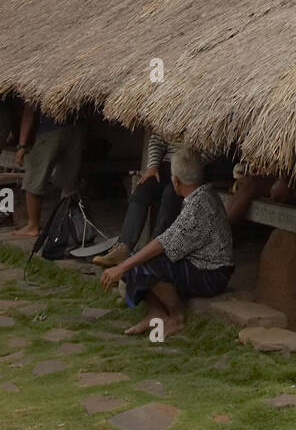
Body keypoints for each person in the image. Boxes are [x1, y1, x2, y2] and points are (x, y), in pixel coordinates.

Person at [100, 148, 233, 336]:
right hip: (199, 265)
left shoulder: (199, 206)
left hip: (212, 274)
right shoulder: (200, 195)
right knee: (136, 261)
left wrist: (121, 267)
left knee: (146, 263)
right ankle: (156, 313)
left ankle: (176, 317)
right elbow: (167, 240)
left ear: (175, 181)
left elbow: (164, 244)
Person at [92, 134, 181, 267]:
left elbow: (212, 148)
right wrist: (153, 166)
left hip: (190, 167)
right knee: (143, 189)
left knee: (170, 193)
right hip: (167, 166)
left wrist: (189, 168)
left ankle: (154, 251)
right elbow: (157, 139)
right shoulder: (172, 116)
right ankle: (123, 248)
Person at [11, 104, 86, 238]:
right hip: (75, 131)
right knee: (69, 183)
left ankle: (32, 225)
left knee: (34, 179)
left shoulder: (36, 83)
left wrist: (22, 145)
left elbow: (28, 113)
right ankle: (69, 226)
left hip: (50, 131)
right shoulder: (72, 83)